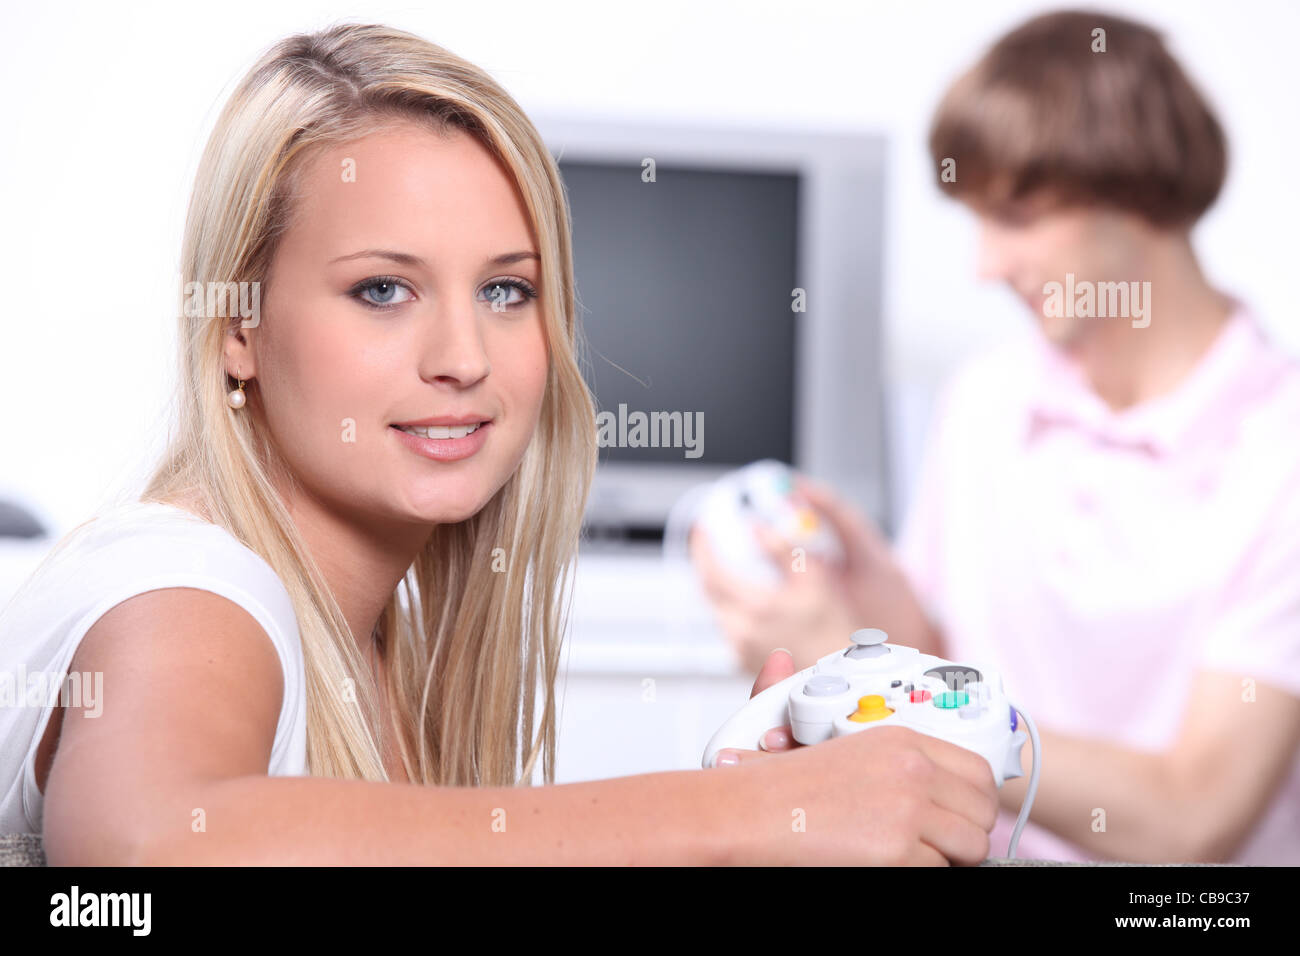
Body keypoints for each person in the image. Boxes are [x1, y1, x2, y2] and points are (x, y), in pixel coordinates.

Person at [0, 22, 999, 866]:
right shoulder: (187, 586)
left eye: (506, 290)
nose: (463, 357)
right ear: (238, 328)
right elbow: (154, 843)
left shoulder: (378, 633)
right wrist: (733, 819)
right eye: (382, 289)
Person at [691, 10, 1300, 864]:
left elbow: (1194, 817)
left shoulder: (1282, 454)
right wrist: (874, 622)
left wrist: (891, 695)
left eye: (1015, 215)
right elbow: (953, 666)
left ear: (1141, 195)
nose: (983, 266)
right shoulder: (988, 398)